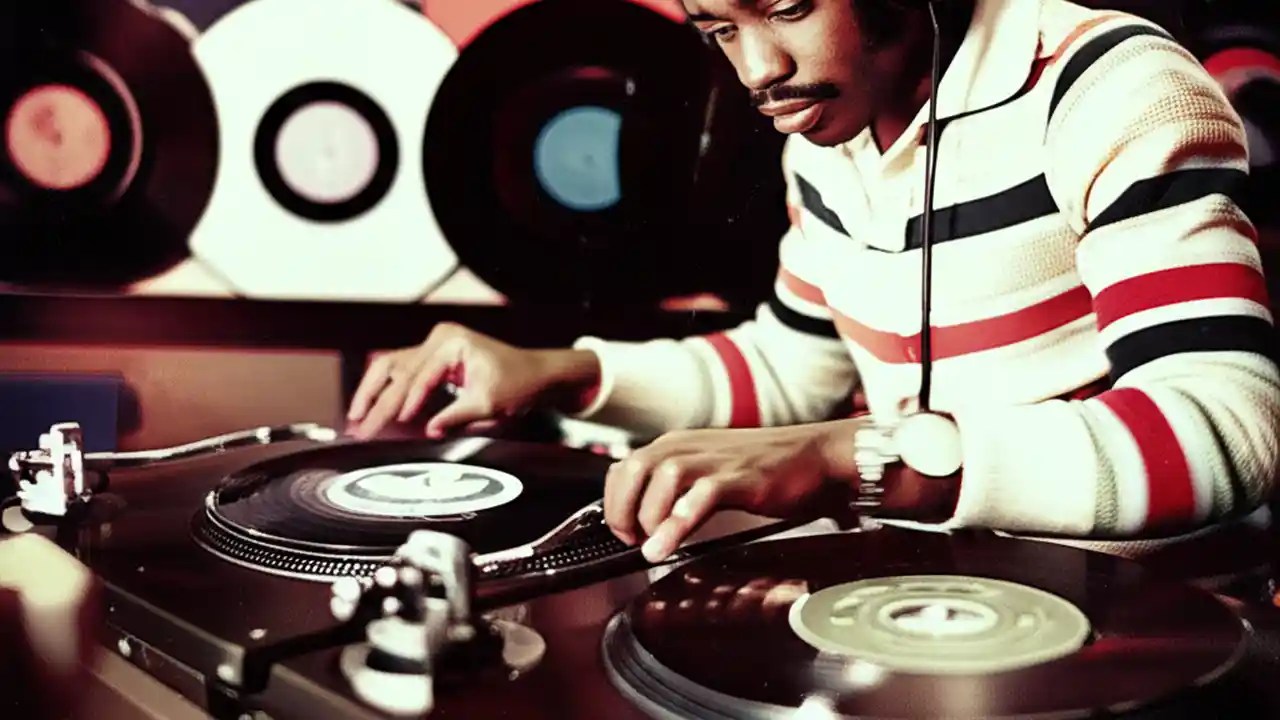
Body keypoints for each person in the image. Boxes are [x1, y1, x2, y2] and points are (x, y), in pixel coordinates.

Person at [348, 0, 1280, 564]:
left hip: (1131, 632)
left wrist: (853, 460)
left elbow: (1221, 433)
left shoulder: (1113, 90)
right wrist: (564, 372)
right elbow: (797, 370)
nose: (761, 72)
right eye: (720, 27)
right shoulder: (829, 129)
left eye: (788, 9)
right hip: (917, 613)